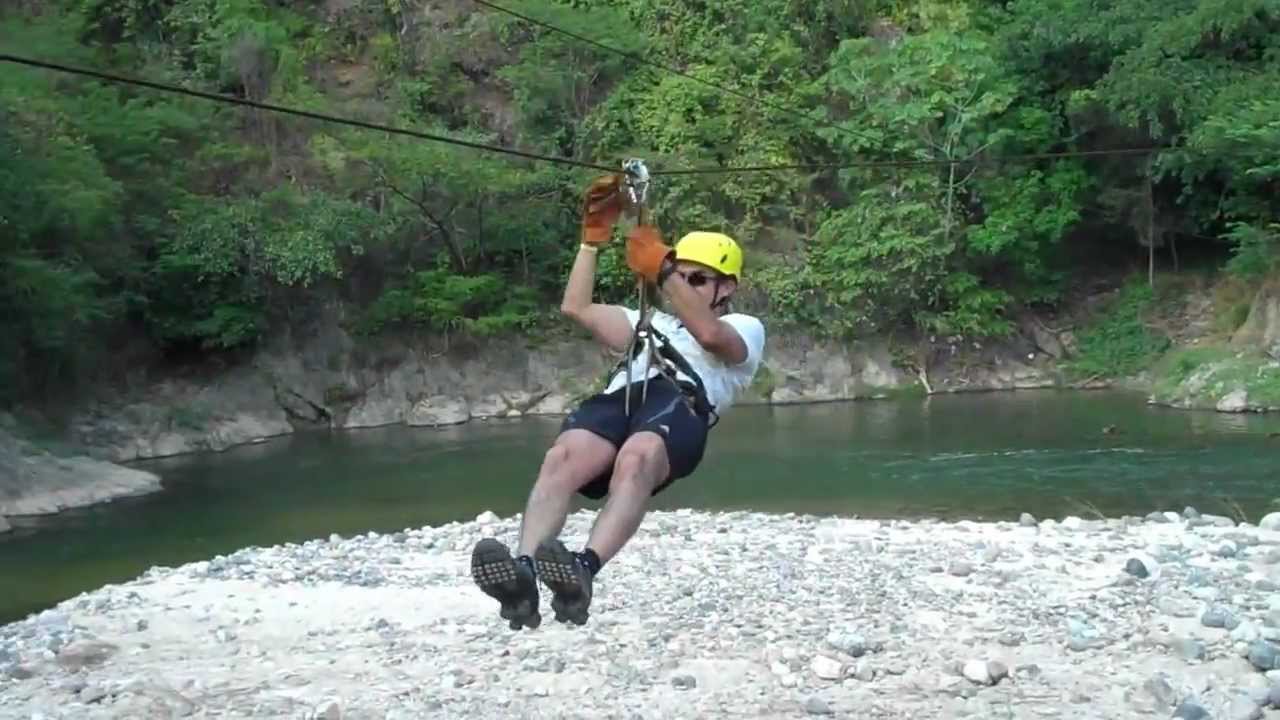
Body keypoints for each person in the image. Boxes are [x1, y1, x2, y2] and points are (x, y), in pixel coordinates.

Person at [469, 174, 766, 630]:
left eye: (697, 278)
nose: (684, 283)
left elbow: (710, 334)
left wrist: (664, 269)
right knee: (562, 457)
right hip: (626, 397)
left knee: (638, 455)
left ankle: (583, 570)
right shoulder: (649, 321)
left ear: (725, 289)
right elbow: (578, 308)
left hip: (681, 405)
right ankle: (523, 573)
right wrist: (591, 241)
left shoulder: (746, 327)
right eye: (682, 273)